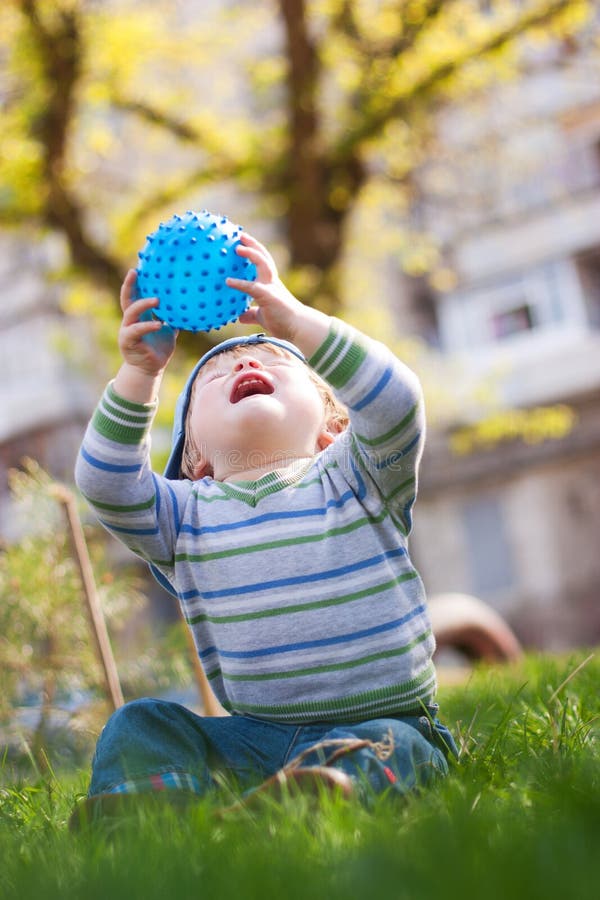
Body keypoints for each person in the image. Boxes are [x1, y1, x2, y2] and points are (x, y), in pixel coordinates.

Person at [72, 231, 457, 823]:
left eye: (276, 361)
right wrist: (139, 374)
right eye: (213, 378)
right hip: (254, 741)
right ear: (193, 457)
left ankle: (319, 791)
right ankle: (148, 813)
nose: (248, 361)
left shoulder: (357, 476)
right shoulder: (184, 514)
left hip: (386, 722)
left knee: (396, 749)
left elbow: (396, 403)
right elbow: (105, 486)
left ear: (332, 427)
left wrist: (297, 324)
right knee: (141, 723)